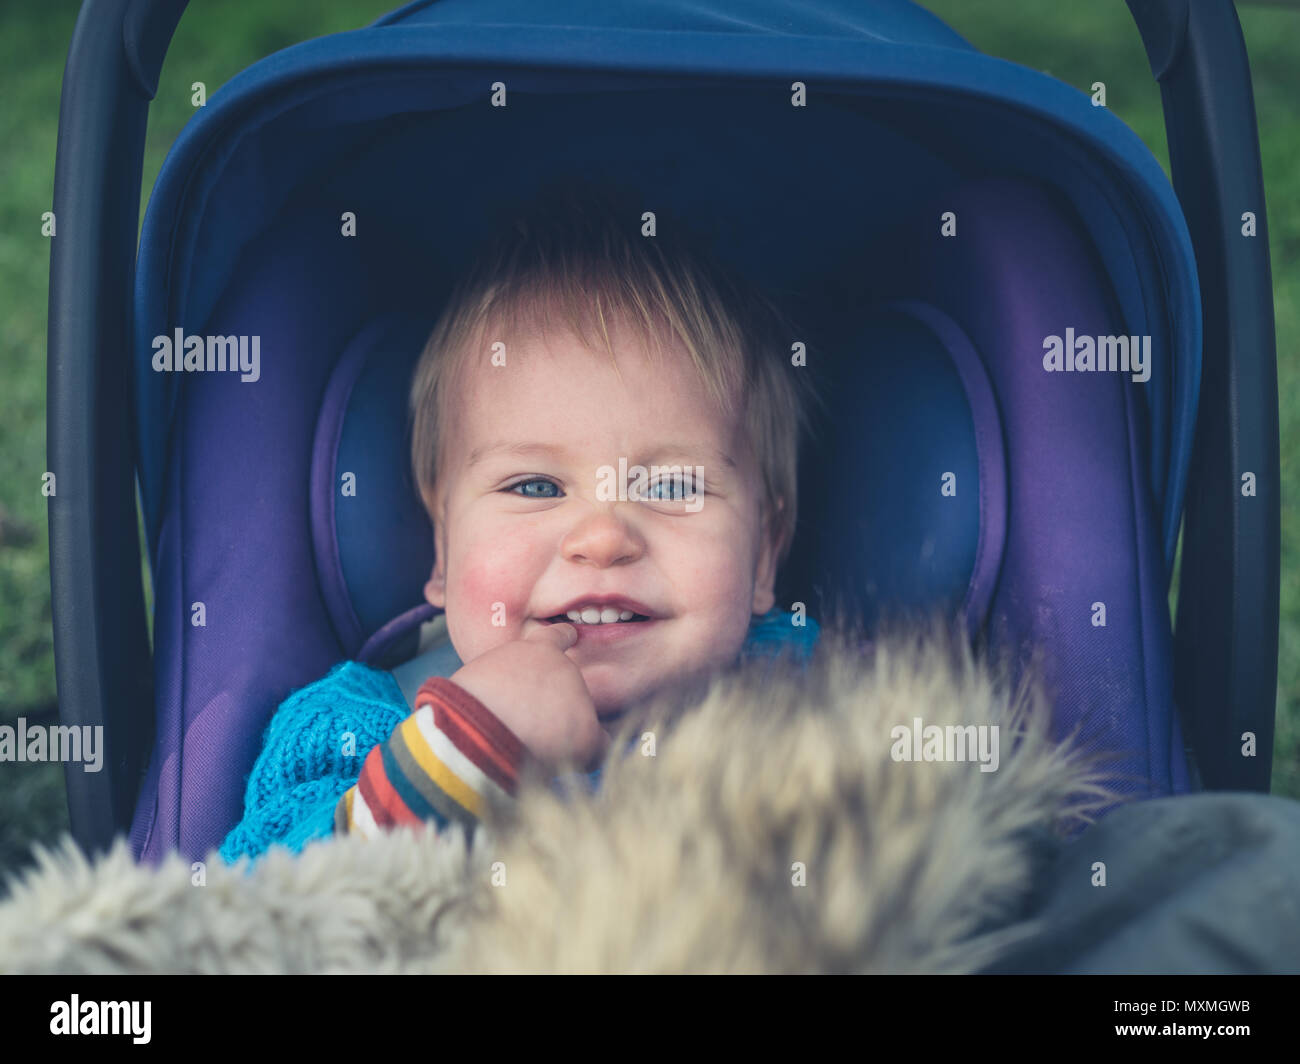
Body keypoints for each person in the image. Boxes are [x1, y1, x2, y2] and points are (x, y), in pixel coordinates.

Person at [218, 182, 823, 864]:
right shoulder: (356, 730)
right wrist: (456, 754)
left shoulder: (821, 695)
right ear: (443, 549)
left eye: (671, 485)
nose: (602, 538)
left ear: (766, 555)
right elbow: (265, 913)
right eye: (535, 485)